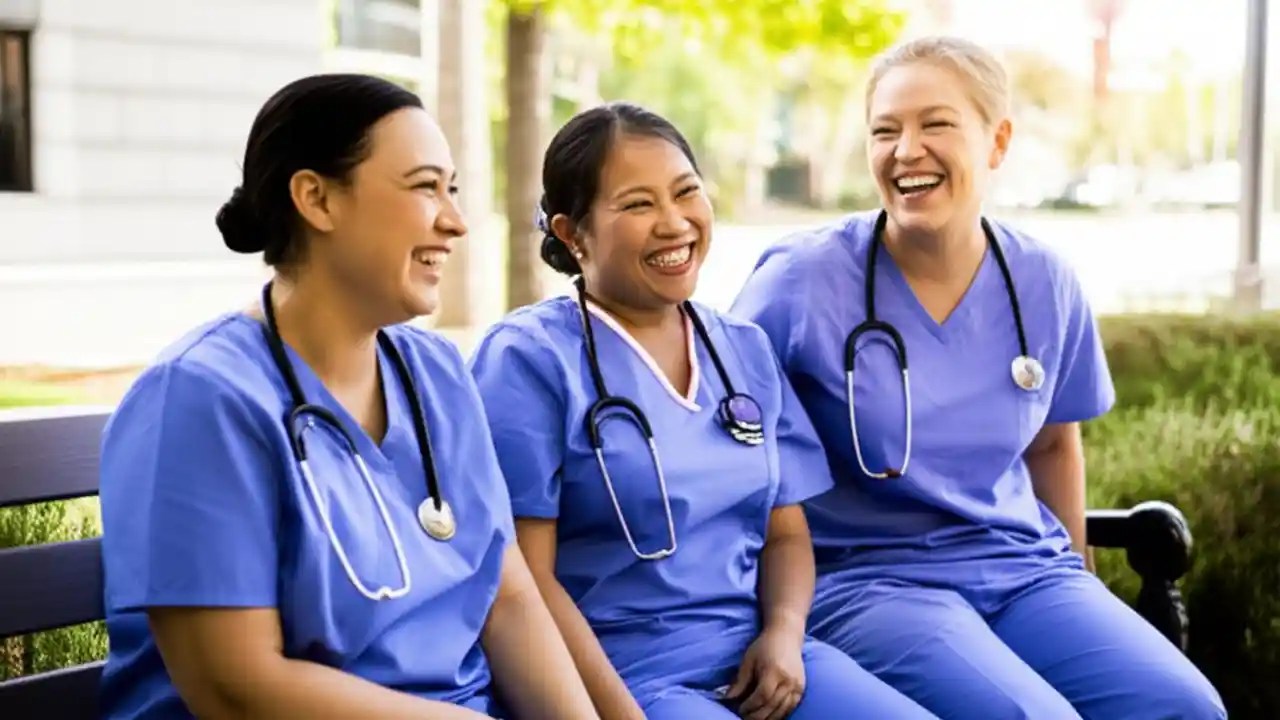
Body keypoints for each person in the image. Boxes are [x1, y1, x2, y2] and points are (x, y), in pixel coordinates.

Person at [730, 36, 1227, 720]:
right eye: (885, 130)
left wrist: (1075, 575)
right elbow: (726, 437)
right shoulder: (802, 282)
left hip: (1021, 570)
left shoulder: (1043, 281)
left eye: (935, 124)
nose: (906, 150)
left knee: (1184, 706)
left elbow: (1054, 443)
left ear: (997, 143)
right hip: (871, 583)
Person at [96, 73, 598, 720]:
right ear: (317, 199)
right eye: (424, 187)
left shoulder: (437, 375)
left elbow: (509, 601)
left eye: (452, 189)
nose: (456, 221)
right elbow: (236, 686)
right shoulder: (199, 399)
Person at [466, 102, 936, 720]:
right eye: (637, 205)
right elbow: (526, 581)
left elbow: (786, 533)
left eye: (686, 192)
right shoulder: (528, 361)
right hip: (619, 676)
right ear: (571, 233)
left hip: (760, 661)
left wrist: (785, 636)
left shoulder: (741, 348)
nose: (674, 223)